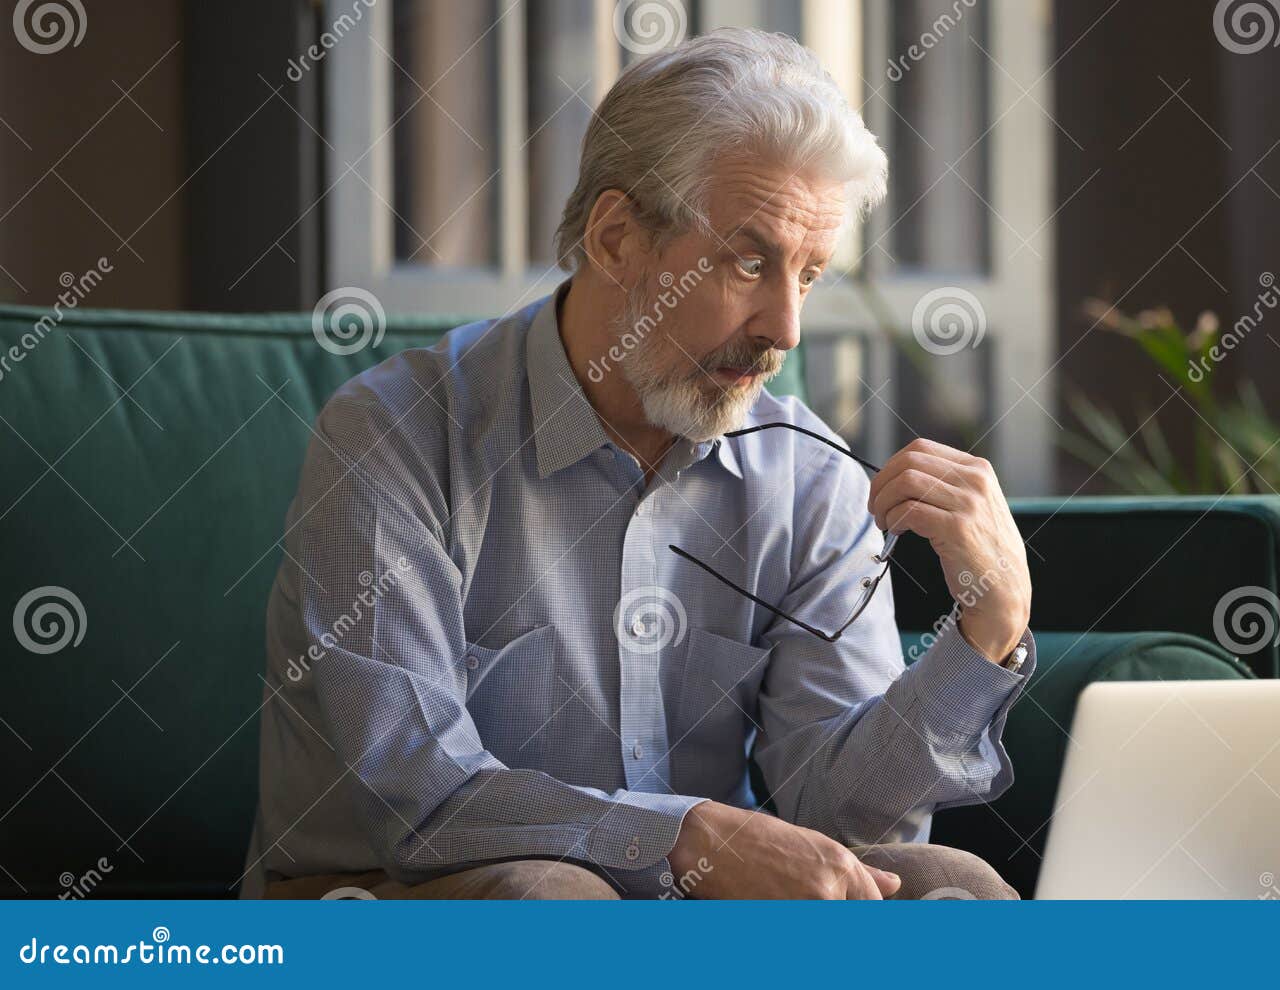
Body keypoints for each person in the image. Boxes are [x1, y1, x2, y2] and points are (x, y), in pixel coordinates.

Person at [244, 27, 1034, 901]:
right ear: (617, 239)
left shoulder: (813, 484)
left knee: (949, 887)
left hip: (681, 910)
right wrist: (682, 834)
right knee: (556, 901)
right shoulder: (391, 437)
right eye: (748, 260)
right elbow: (418, 798)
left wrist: (984, 635)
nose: (787, 329)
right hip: (388, 895)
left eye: (809, 274)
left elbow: (842, 831)